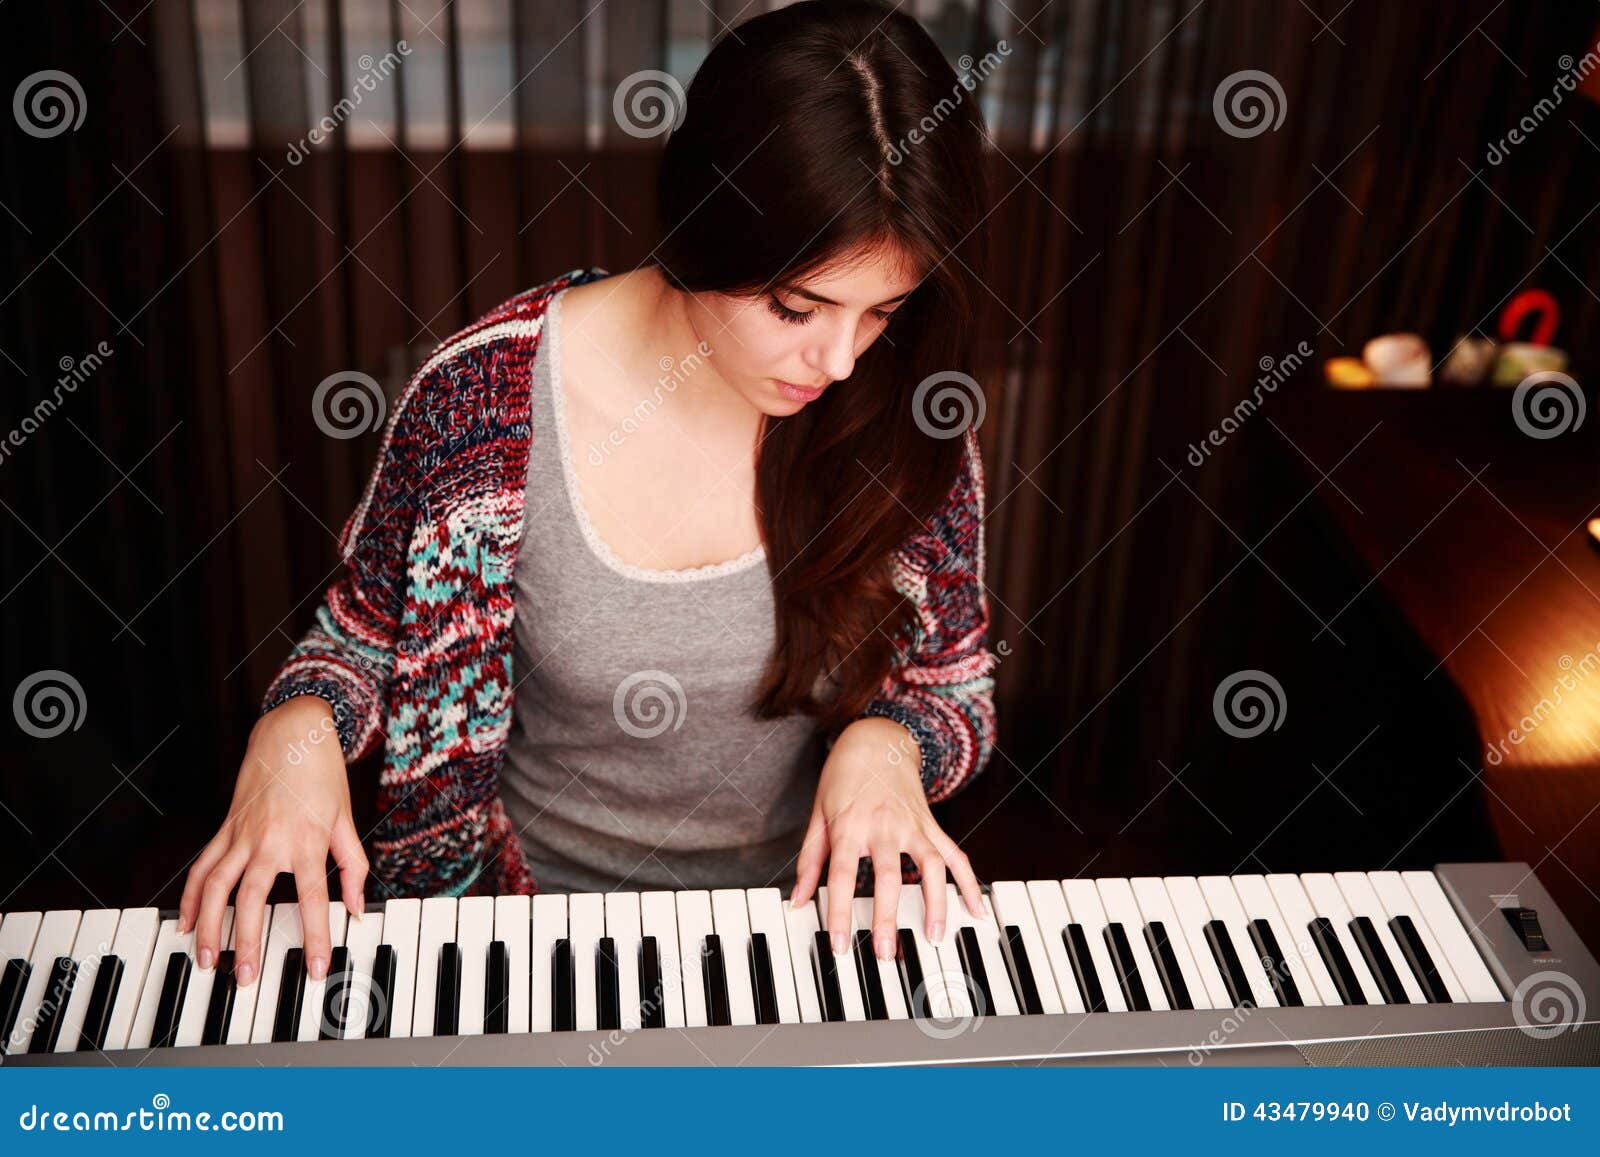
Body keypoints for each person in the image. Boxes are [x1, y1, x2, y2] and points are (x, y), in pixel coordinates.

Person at [179, 0, 997, 992]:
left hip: (804, 932)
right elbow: (358, 646)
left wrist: (888, 740)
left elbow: (952, 688)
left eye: (884, 310)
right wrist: (292, 730)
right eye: (796, 306)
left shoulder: (903, 409)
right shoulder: (480, 399)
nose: (837, 359)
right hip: (519, 937)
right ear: (704, 231)